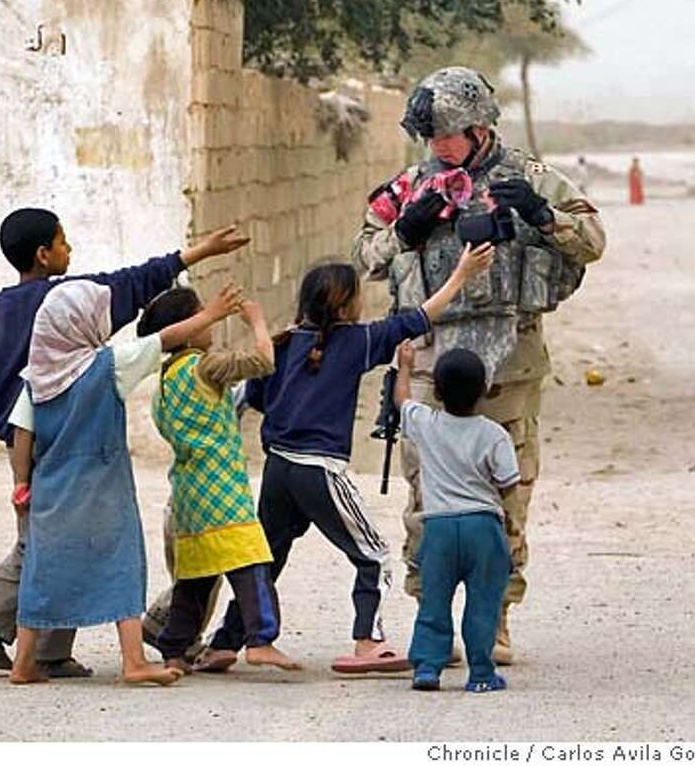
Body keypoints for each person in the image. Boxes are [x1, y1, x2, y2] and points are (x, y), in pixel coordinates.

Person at [353, 66, 606, 664]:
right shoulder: (409, 187)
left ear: (478, 125)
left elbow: (593, 241)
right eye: (430, 136)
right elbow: (365, 257)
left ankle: (494, 618)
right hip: (428, 354)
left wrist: (545, 219)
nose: (438, 147)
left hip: (508, 360)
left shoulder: (532, 179)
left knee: (506, 493)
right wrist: (405, 233)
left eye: (447, 134)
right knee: (425, 496)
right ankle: (431, 613)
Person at [0, 208, 249, 678]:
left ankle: (44, 654)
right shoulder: (83, 328)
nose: (70, 249)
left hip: (31, 451)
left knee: (49, 549)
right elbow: (139, 284)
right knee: (54, 552)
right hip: (86, 452)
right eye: (63, 242)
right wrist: (202, 258)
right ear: (43, 253)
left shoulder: (3, 317)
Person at [204, 244, 494, 674]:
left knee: (268, 555)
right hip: (318, 470)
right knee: (374, 555)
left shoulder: (282, 344)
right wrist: (462, 273)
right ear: (346, 304)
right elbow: (422, 316)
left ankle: (226, 641)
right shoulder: (356, 341)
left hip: (278, 469)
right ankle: (367, 642)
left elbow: (251, 399)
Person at [5, 279, 243, 686]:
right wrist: (211, 315)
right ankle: (134, 660)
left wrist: (22, 483)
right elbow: (162, 340)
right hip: (103, 489)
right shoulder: (108, 365)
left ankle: (24, 663)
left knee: (42, 573)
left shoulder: (37, 376)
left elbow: (21, 434)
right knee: (123, 566)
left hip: (51, 490)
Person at [136, 289, 299, 674]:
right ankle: (261, 639)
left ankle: (174, 648)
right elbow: (261, 361)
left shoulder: (165, 379)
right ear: (187, 329)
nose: (210, 324)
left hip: (189, 490)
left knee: (195, 578)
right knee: (252, 561)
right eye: (202, 316)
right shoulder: (205, 366)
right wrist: (258, 323)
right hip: (223, 486)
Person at [393, 343, 519, 693]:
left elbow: (401, 401)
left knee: (434, 600)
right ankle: (481, 674)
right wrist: (506, 521)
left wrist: (405, 367)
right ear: (484, 390)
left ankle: (428, 668)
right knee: (484, 601)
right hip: (483, 527)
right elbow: (509, 484)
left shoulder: (427, 423)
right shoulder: (495, 435)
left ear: (436, 391)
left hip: (439, 529)